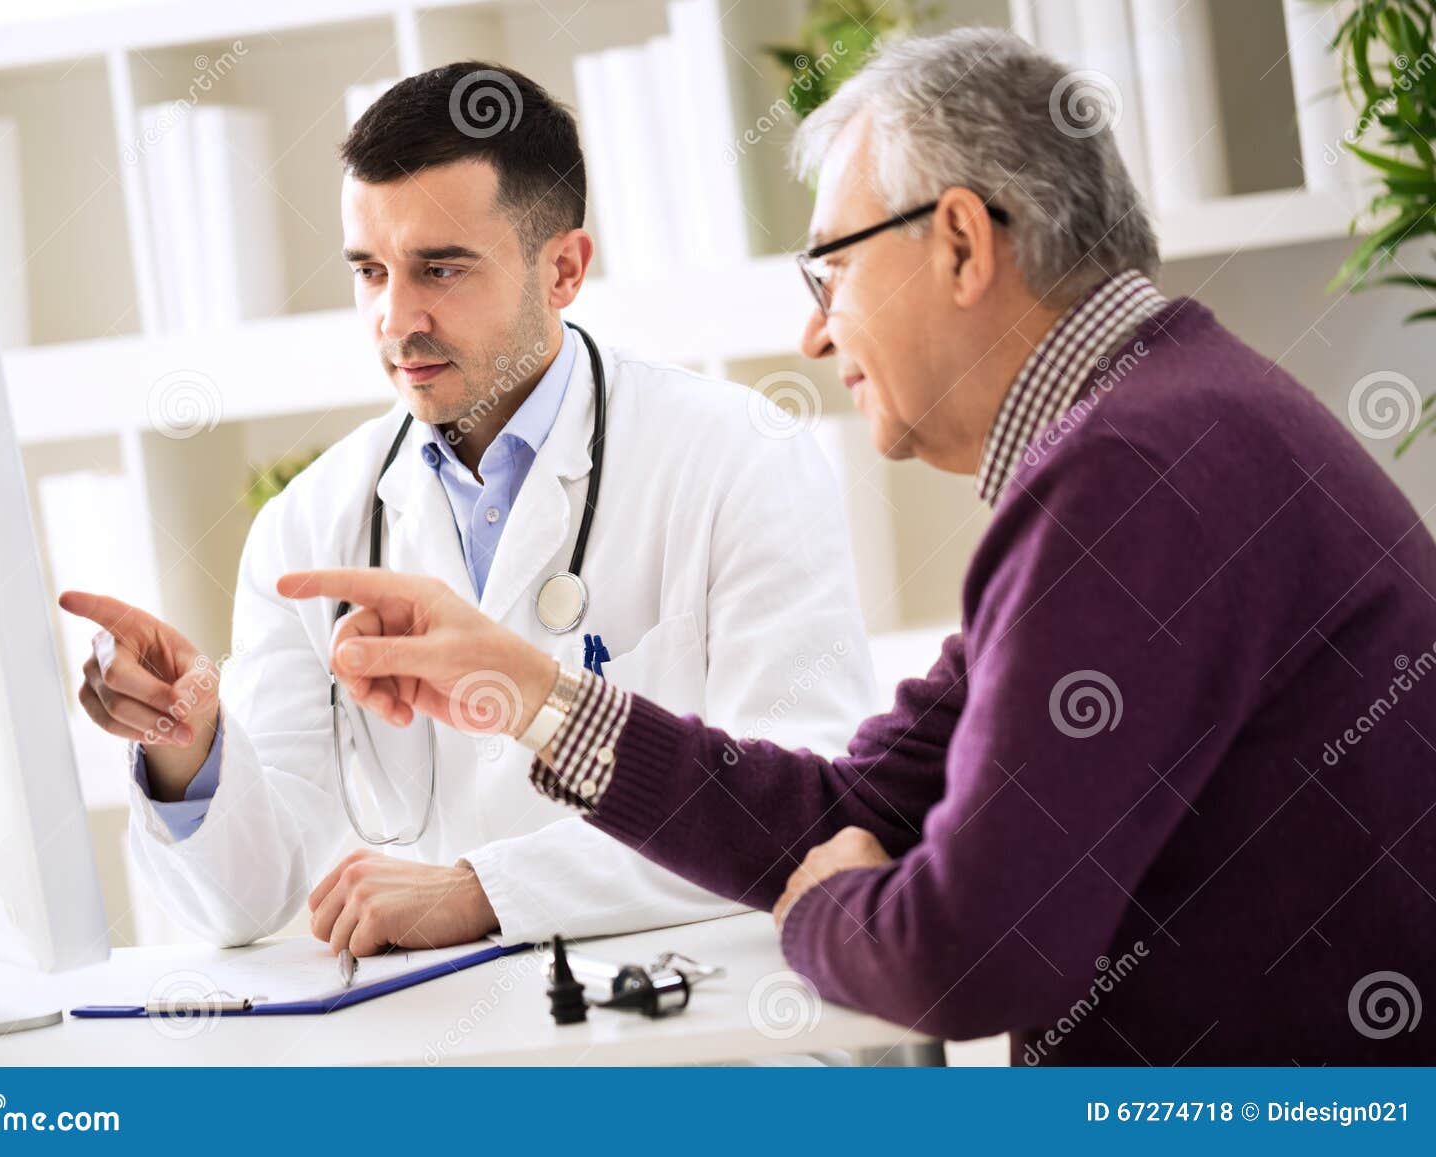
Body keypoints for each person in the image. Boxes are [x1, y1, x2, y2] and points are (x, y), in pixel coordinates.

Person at [279, 29, 1436, 1064]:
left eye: (831, 264)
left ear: (961, 246)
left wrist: (816, 911)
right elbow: (851, 798)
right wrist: (526, 690)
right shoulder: (1158, 426)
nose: (814, 326)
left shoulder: (1135, 469)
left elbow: (967, 950)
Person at [59, 62, 874, 952]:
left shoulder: (741, 457)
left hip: (701, 1042)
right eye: (370, 271)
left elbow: (804, 808)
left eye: (439, 269)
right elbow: (247, 901)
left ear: (563, 268)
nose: (395, 318)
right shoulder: (306, 526)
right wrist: (189, 740)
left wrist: (490, 890)